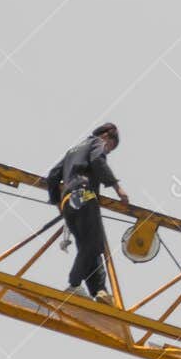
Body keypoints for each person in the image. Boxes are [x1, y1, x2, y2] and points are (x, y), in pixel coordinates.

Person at [48, 122, 130, 304]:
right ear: (106, 137)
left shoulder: (72, 152)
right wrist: (117, 188)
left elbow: (53, 175)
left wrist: (57, 203)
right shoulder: (97, 143)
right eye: (110, 148)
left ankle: (99, 291)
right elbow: (97, 161)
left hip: (68, 200)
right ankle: (74, 284)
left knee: (89, 245)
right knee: (93, 244)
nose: (107, 152)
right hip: (84, 193)